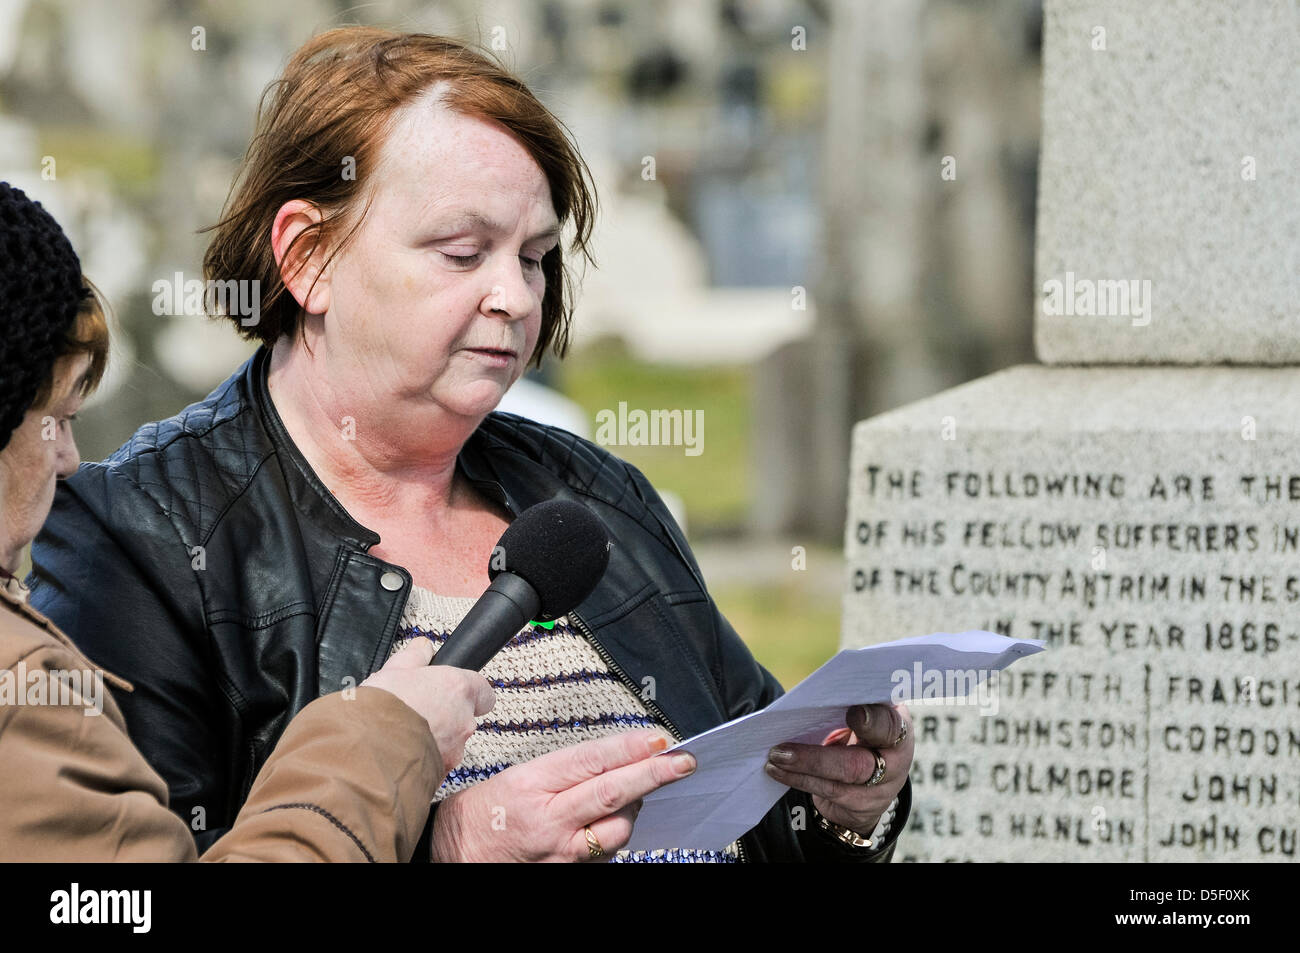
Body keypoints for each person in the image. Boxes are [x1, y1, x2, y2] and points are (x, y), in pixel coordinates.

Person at [29, 28, 914, 862]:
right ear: (308, 257)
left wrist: (840, 807)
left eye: (532, 257)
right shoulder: (138, 536)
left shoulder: (592, 494)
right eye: (463, 253)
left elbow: (750, 789)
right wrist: (444, 843)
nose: (515, 298)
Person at [0, 180, 498, 861]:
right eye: (56, 417)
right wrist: (384, 743)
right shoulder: (21, 689)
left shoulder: (600, 488)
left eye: (534, 258)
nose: (67, 456)